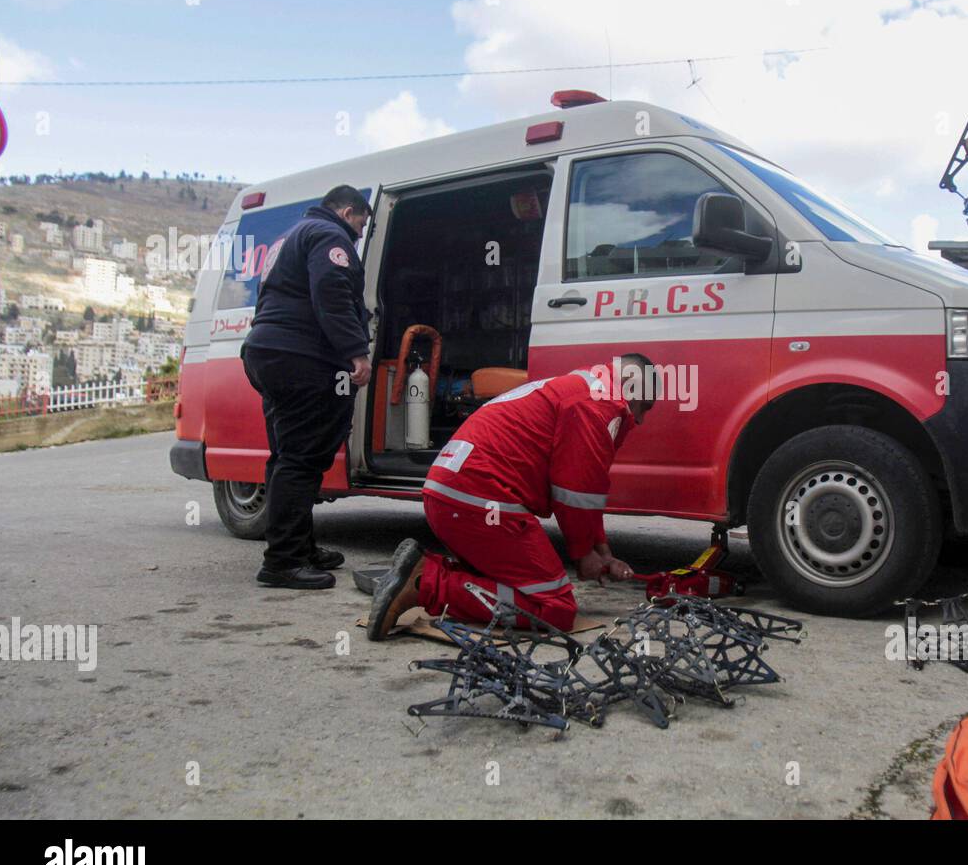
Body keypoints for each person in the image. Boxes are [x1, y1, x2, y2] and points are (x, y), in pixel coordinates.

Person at [367, 354, 657, 638]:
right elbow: (574, 491)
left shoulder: (576, 389)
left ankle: (423, 573)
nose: (641, 420)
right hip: (478, 500)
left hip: (450, 494)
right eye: (643, 406)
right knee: (556, 609)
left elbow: (588, 489)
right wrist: (583, 554)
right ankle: (425, 583)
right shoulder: (598, 403)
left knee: (506, 583)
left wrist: (602, 550)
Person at [241, 185, 373, 589]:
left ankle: (299, 546)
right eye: (361, 224)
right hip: (301, 358)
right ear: (347, 211)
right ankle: (282, 561)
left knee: (287, 456)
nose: (359, 234)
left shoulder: (290, 237)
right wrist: (356, 352)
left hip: (267, 352)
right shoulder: (330, 235)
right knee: (301, 459)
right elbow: (330, 294)